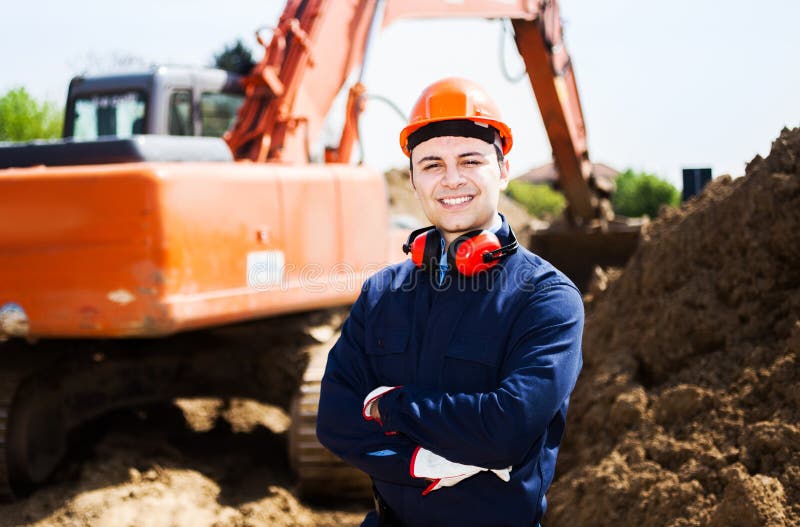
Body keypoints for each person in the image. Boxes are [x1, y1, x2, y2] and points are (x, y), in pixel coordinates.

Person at [316, 77, 583, 527]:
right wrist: (423, 462)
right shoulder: (382, 292)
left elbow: (505, 431)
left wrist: (391, 406)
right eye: (432, 163)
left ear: (502, 169)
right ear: (414, 180)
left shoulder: (547, 298)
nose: (451, 178)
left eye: (470, 159)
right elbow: (336, 421)